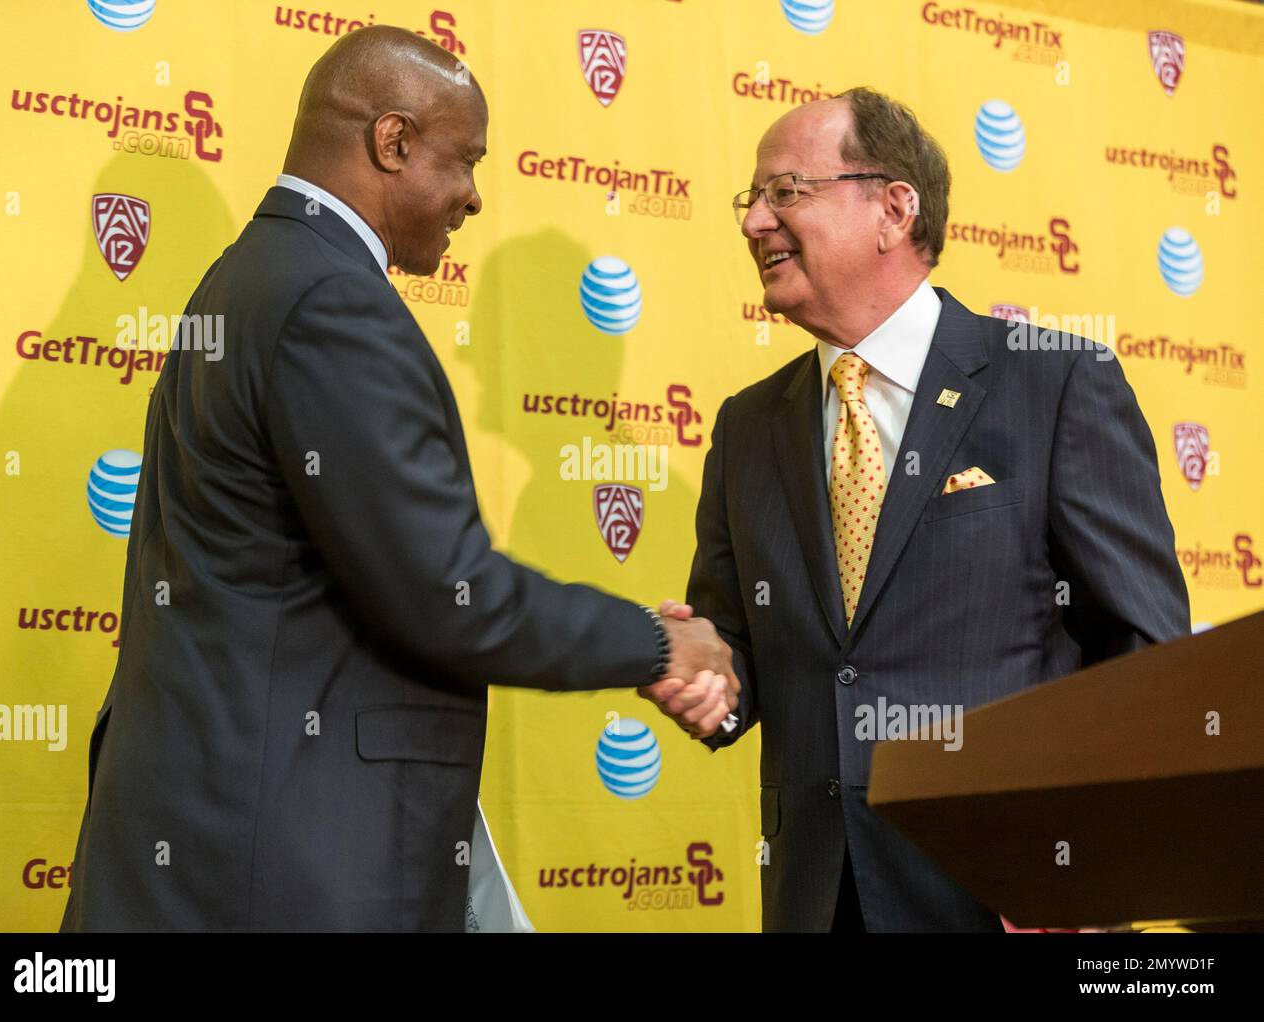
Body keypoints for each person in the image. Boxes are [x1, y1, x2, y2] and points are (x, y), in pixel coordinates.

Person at [60, 26, 733, 933]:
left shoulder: (244, 278)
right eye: (466, 163)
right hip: (286, 861)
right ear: (393, 140)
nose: (474, 198)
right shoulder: (331, 302)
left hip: (224, 835)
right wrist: (656, 645)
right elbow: (447, 593)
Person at [640, 88, 1189, 932]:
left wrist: (1084, 859)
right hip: (816, 899)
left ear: (894, 208)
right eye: (751, 199)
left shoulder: (1054, 383)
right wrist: (705, 679)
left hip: (1006, 897)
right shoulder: (748, 426)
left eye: (785, 191)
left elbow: (1146, 661)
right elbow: (740, 649)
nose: (753, 222)